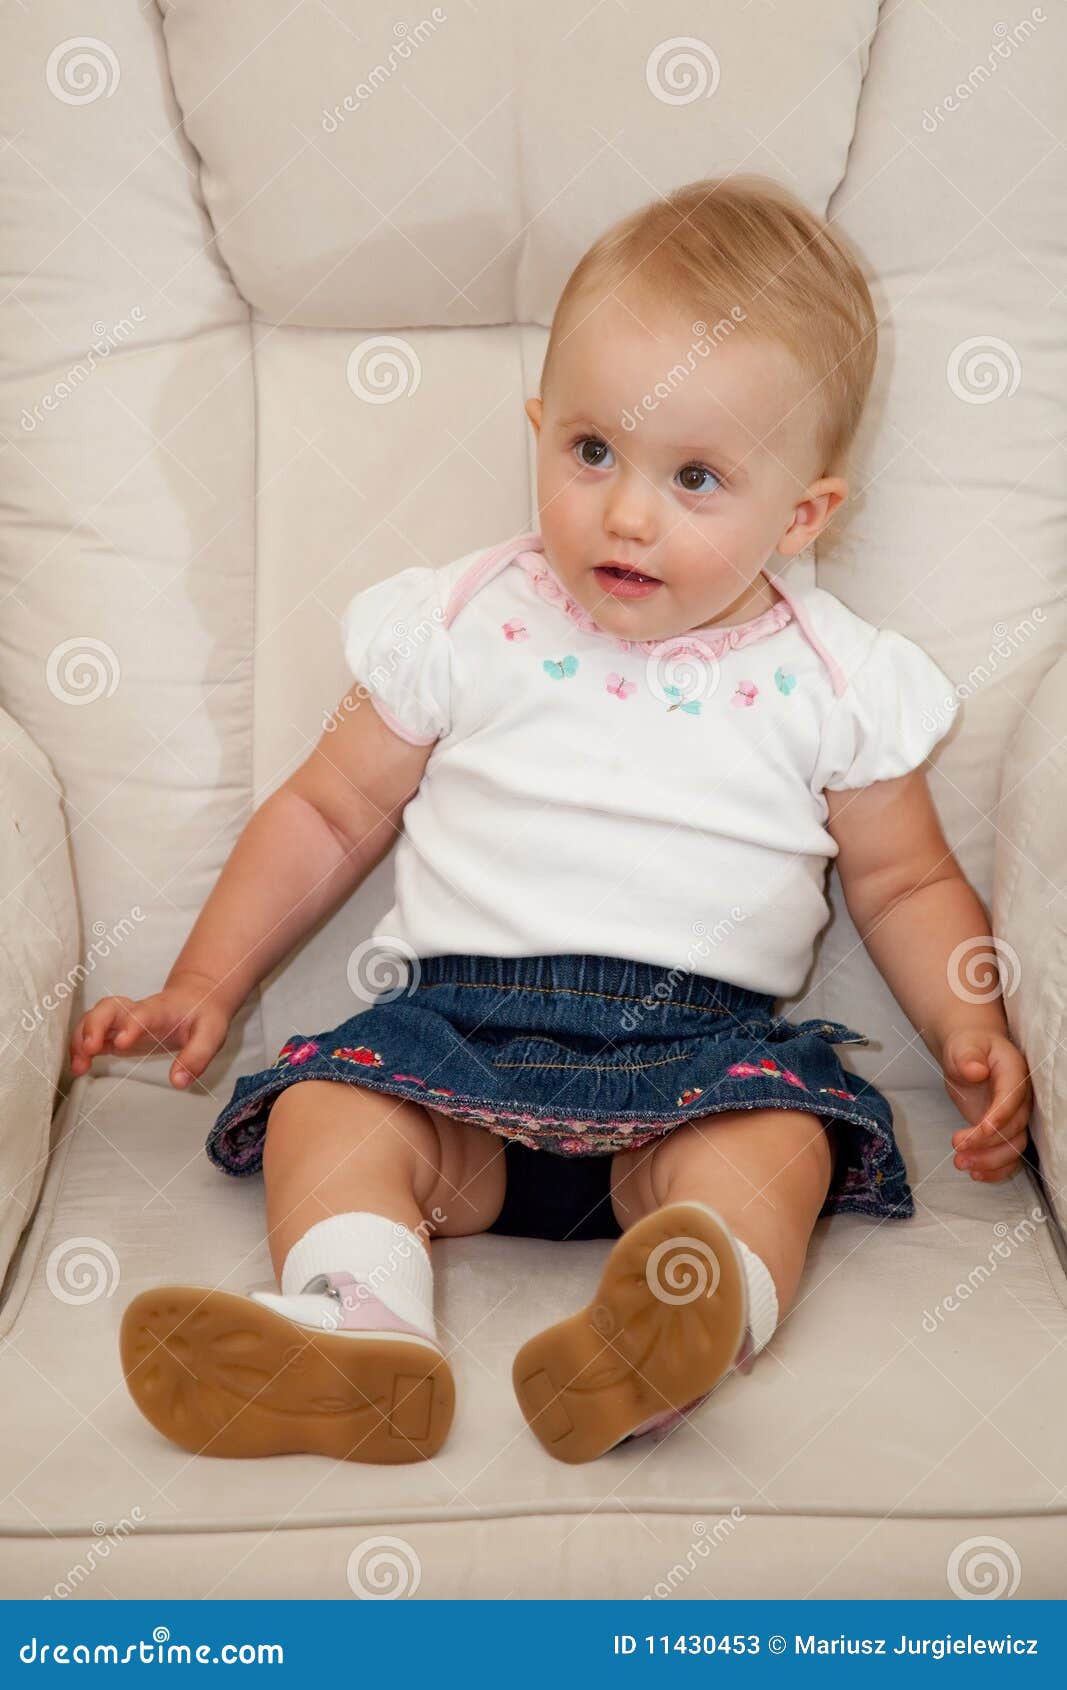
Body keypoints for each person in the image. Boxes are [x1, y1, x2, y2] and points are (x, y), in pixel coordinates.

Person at [71, 174, 1033, 1469]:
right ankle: (358, 1327)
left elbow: (907, 884)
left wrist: (972, 1024)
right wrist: (205, 976)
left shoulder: (837, 680)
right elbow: (328, 806)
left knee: (779, 1145)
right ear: (537, 427)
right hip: (448, 1052)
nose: (626, 512)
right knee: (327, 1115)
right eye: (592, 451)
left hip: (700, 1069)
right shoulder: (464, 621)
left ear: (803, 515)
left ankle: (671, 1331)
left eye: (695, 476)